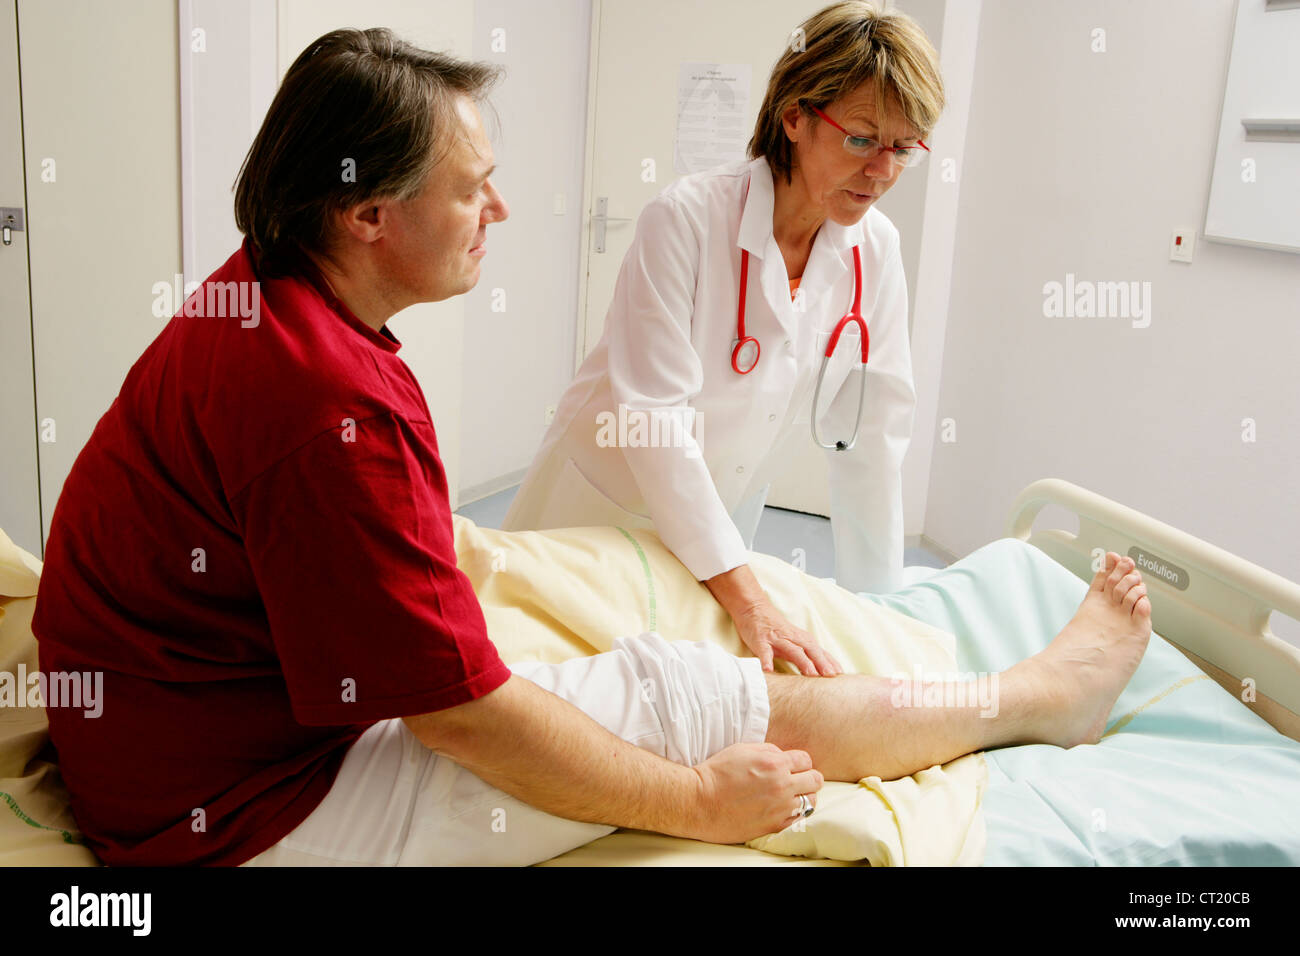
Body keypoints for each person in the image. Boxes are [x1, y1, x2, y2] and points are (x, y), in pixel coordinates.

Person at [33, 27, 1153, 868]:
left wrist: (876, 589)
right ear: (366, 213)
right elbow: (460, 711)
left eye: (903, 149)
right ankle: (1030, 696)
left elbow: (879, 424)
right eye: (471, 188)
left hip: (178, 745)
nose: (502, 210)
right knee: (703, 697)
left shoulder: (259, 296)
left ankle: (964, 673)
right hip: (241, 808)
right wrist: (702, 801)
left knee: (685, 663)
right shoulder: (327, 405)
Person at [504, 1, 940, 678]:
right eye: (862, 139)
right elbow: (653, 422)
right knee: (542, 676)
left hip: (720, 519)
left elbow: (874, 441)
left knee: (672, 697)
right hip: (603, 504)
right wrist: (748, 596)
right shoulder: (686, 219)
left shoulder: (874, 250)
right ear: (795, 116)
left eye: (906, 147)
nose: (884, 171)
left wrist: (876, 617)